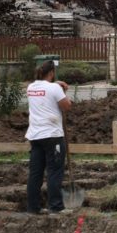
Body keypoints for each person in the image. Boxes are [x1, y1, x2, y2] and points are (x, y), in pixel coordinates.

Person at [26, 60, 71, 214]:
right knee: (54, 171)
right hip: (52, 136)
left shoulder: (31, 87)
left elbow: (44, 89)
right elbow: (66, 106)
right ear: (51, 73)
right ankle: (56, 207)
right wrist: (62, 91)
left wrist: (56, 85)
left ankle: (33, 207)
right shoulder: (55, 89)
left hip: (35, 136)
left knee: (36, 173)